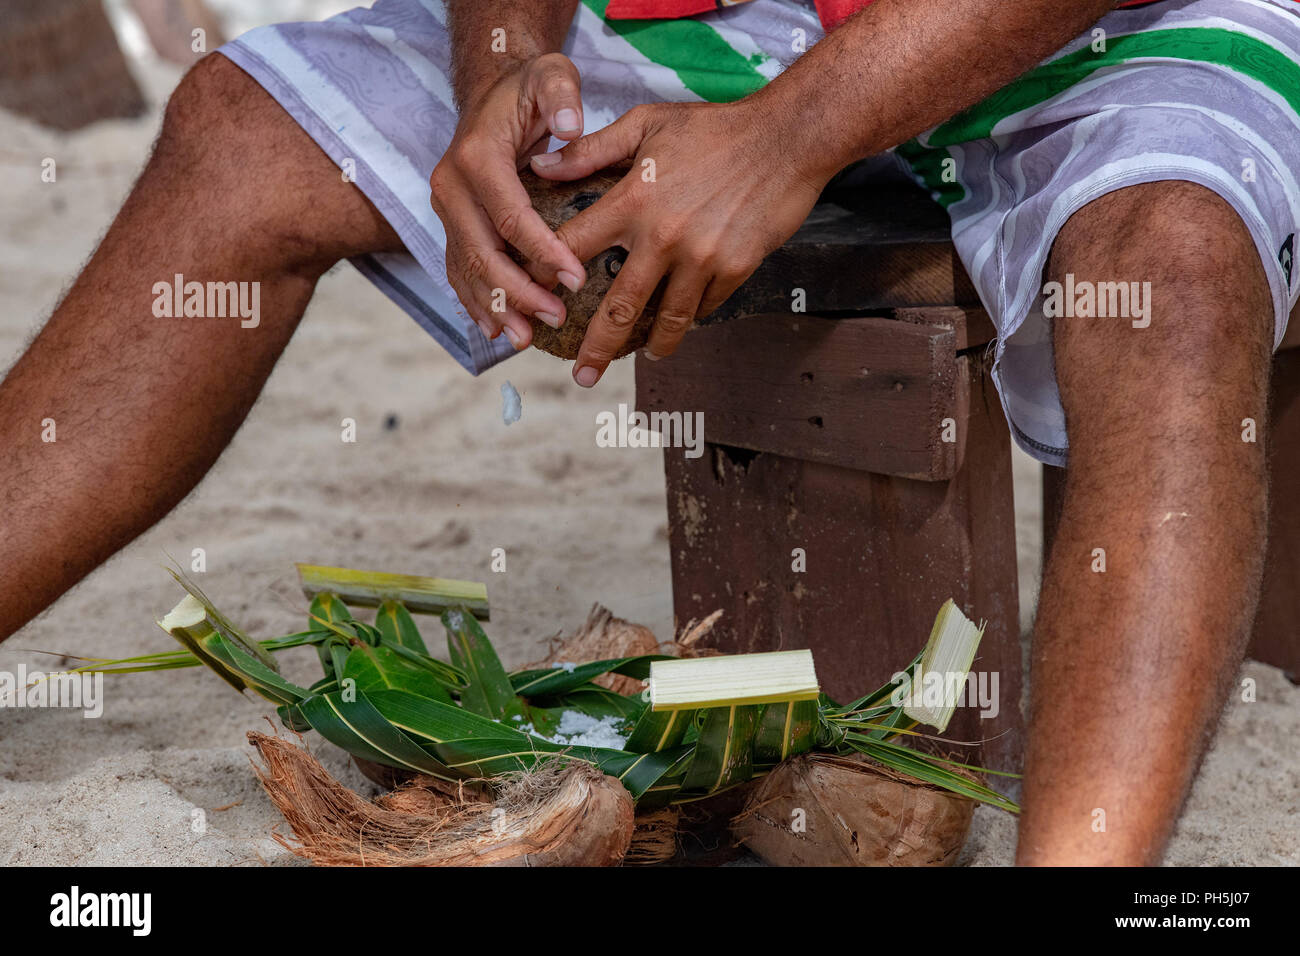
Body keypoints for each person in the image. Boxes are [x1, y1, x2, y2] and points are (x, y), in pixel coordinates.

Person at [2, 0, 1297, 865]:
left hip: (1115, 22)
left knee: (1174, 267)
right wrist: (504, 72)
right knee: (242, 137)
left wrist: (791, 135)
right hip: (729, 19)